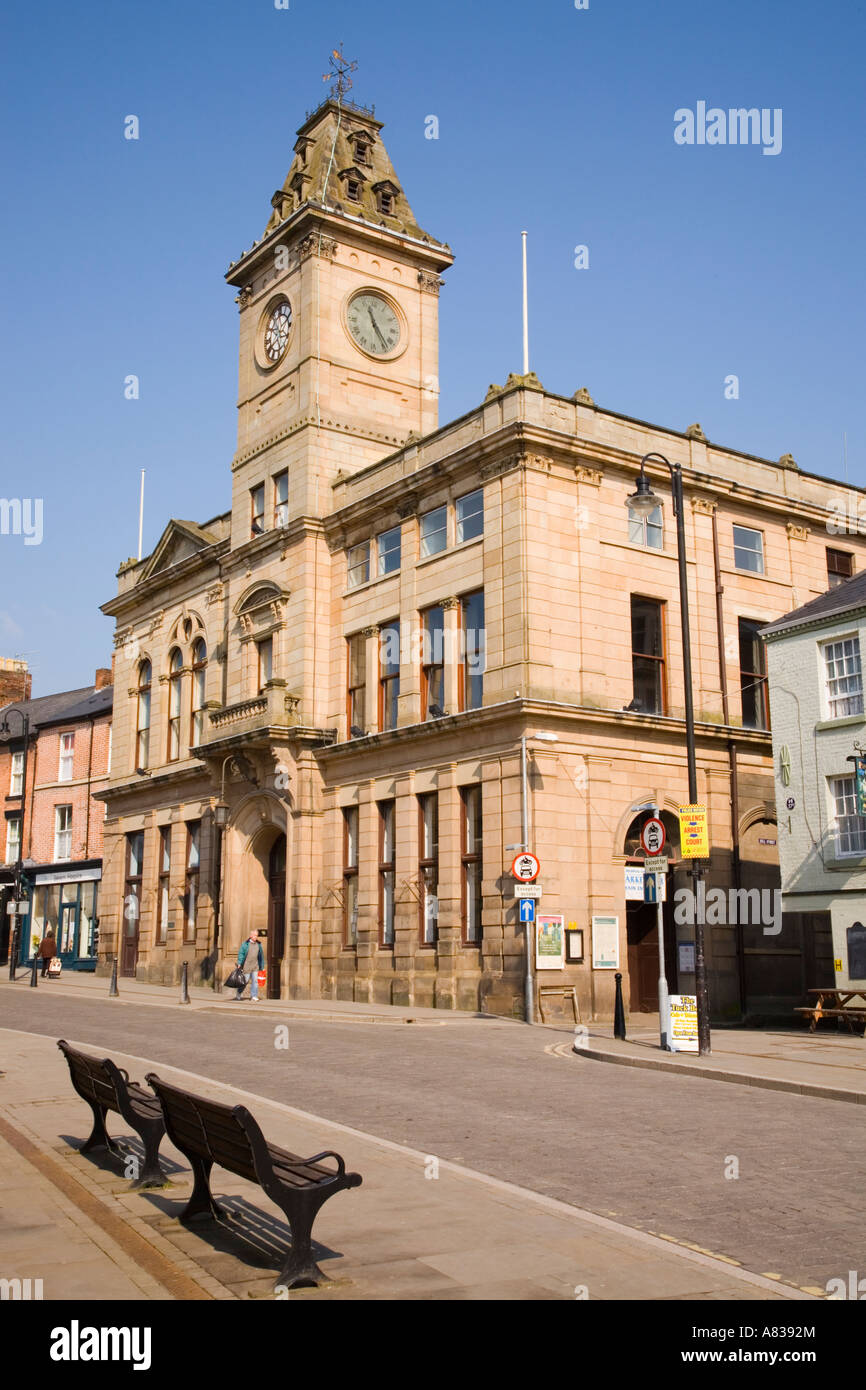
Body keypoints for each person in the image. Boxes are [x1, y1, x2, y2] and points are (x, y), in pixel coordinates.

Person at [235, 930, 263, 1001]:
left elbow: (261, 956)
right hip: (246, 966)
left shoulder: (258, 945)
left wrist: (261, 966)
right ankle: (239, 992)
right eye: (254, 935)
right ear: (250, 936)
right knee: (245, 981)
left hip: (255, 966)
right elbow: (241, 954)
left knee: (255, 981)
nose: (255, 937)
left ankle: (254, 995)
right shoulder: (245, 944)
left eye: (256, 935)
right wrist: (239, 963)